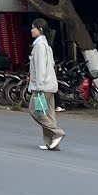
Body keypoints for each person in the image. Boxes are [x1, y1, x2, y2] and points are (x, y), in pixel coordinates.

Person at [29, 18, 65, 151]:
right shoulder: (46, 45)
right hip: (50, 85)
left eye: (33, 28)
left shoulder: (39, 46)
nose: (31, 30)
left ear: (40, 30)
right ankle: (52, 143)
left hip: (43, 86)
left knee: (35, 111)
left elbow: (40, 68)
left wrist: (38, 86)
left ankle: (57, 133)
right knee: (48, 114)